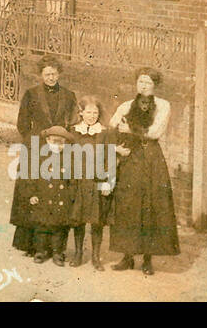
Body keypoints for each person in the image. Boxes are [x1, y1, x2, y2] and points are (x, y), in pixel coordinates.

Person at [107, 68, 180, 276]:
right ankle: (127, 256)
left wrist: (130, 130)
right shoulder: (126, 105)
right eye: (140, 81)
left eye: (148, 82)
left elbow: (156, 132)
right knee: (127, 203)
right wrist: (120, 139)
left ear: (155, 85)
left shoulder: (163, 106)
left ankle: (147, 258)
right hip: (130, 157)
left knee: (151, 204)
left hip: (150, 158)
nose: (144, 85)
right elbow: (112, 125)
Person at [10, 56, 77, 256]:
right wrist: (33, 141)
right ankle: (32, 245)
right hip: (36, 146)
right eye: (47, 74)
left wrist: (62, 141)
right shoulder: (31, 94)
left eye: (54, 74)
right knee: (32, 189)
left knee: (56, 191)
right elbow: (22, 122)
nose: (51, 77)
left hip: (59, 146)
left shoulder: (68, 95)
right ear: (41, 75)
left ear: (59, 74)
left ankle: (54, 246)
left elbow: (72, 121)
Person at [68, 96, 114, 269]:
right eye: (88, 112)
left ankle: (96, 256)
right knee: (78, 219)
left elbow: (110, 158)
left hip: (97, 181)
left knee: (97, 221)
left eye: (95, 112)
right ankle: (78, 253)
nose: (92, 116)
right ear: (81, 113)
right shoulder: (73, 131)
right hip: (78, 182)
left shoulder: (105, 132)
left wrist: (108, 183)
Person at [25, 125, 80, 265]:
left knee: (59, 228)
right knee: (41, 226)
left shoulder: (68, 159)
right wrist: (32, 194)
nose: (57, 145)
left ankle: (57, 252)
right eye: (54, 141)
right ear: (48, 141)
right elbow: (32, 177)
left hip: (61, 198)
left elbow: (72, 180)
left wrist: (71, 197)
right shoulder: (41, 158)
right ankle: (40, 250)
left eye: (61, 142)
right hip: (43, 196)